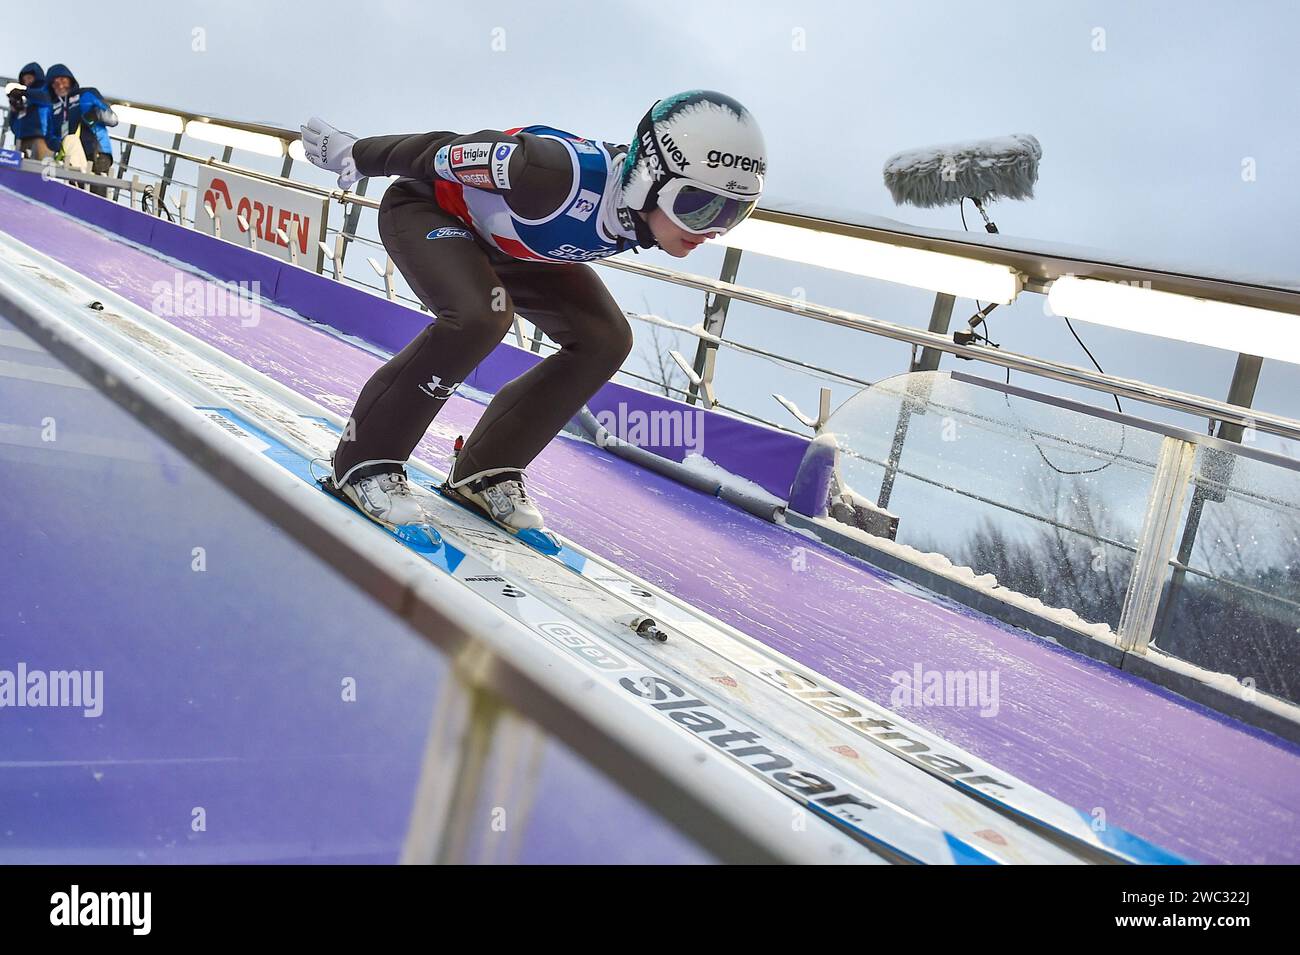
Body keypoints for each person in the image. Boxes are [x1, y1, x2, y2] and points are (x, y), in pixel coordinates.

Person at [300, 89, 766, 540]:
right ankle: (366, 461)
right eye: (697, 206)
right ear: (647, 177)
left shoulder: (641, 209)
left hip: (515, 247)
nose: (711, 230)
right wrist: (357, 154)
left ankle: (486, 470)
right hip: (429, 211)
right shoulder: (550, 173)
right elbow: (442, 150)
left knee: (605, 340)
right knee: (480, 317)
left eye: (733, 213)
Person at [44, 64, 118, 196]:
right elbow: (50, 134)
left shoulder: (87, 94)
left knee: (98, 195)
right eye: (54, 83)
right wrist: (56, 143)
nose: (59, 85)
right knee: (77, 194)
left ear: (70, 80)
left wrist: (94, 115)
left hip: (97, 151)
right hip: (71, 157)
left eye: (62, 80)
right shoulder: (54, 108)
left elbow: (113, 119)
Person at [7, 62, 52, 159]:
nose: (27, 81)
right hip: (21, 140)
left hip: (40, 138)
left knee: (41, 168)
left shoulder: (44, 90)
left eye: (29, 78)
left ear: (37, 77)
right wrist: (14, 108)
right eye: (24, 79)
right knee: (19, 171)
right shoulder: (24, 99)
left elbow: (46, 99)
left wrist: (24, 92)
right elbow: (12, 122)